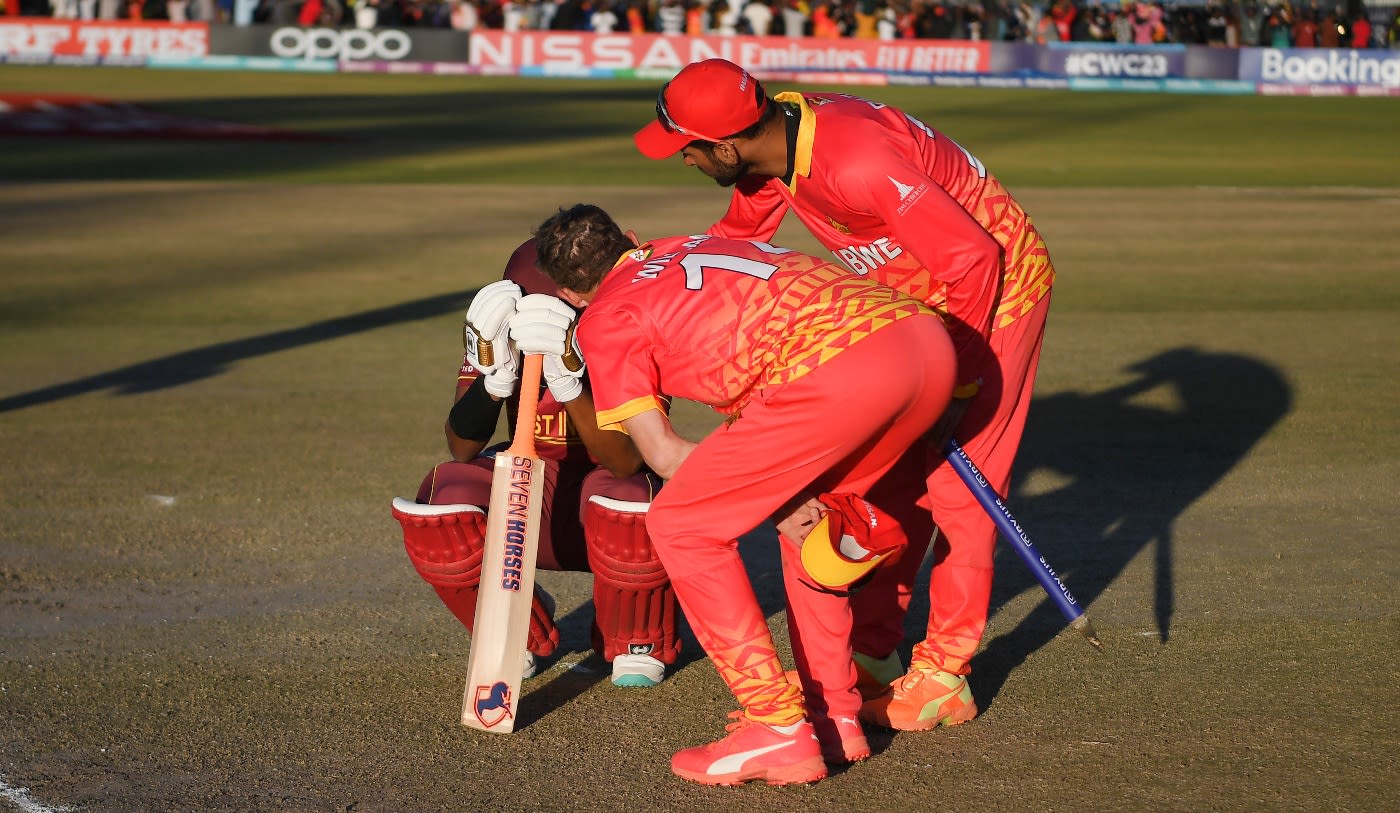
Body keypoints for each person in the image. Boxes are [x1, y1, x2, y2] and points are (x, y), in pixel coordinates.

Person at [632, 58, 1057, 733]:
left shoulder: (852, 158)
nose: (682, 160)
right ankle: (875, 645)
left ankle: (945, 674)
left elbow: (976, 259)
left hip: (993, 298)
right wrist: (647, 277)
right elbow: (737, 240)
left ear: (725, 145)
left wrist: (965, 384)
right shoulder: (774, 147)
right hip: (919, 304)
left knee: (957, 483)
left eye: (686, 148)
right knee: (888, 472)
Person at [527, 203, 957, 785]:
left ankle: (776, 724)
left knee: (681, 523)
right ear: (631, 238)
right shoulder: (684, 242)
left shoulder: (602, 317)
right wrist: (782, 502)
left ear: (571, 295)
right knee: (816, 528)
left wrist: (772, 502)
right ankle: (833, 716)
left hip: (837, 368)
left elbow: (656, 453)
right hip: (924, 341)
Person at [390, 239, 680, 689]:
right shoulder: (502, 327)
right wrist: (495, 377)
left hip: (603, 490)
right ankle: (511, 630)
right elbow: (461, 448)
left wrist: (568, 380)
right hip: (533, 493)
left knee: (627, 506)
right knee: (443, 503)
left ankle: (636, 639)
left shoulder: (630, 327)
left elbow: (625, 461)